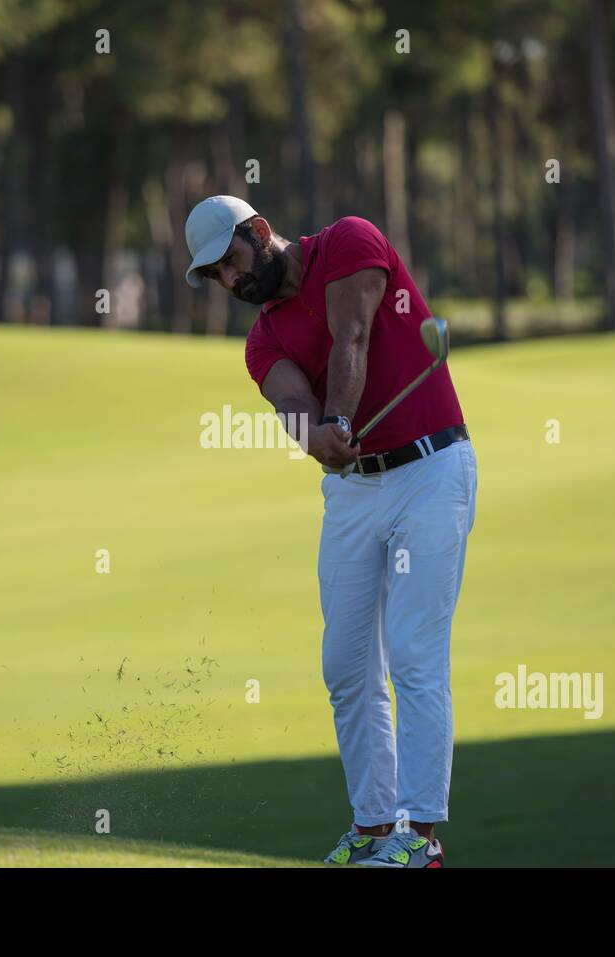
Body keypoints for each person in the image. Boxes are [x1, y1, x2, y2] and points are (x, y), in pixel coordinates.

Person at [184, 195, 478, 867]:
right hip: (352, 491)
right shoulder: (264, 338)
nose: (232, 280)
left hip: (430, 470)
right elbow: (291, 402)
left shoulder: (348, 242)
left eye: (230, 262)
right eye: (218, 277)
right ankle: (374, 829)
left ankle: (421, 839)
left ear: (259, 233)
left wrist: (338, 422)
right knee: (345, 664)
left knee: (413, 653)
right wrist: (315, 438)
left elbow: (354, 338)